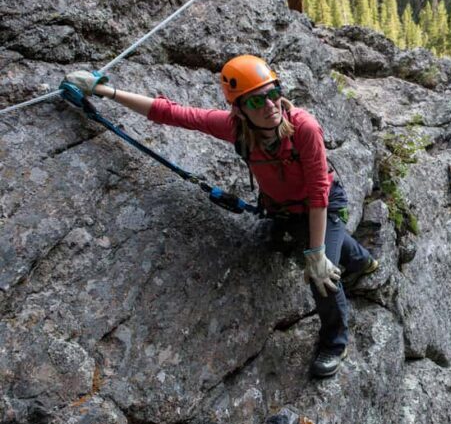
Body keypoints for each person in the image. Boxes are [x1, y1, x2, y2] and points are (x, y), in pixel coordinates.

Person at [64, 55, 378, 378]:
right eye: (257, 99)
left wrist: (316, 255)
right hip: (284, 210)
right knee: (310, 245)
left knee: (322, 276)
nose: (270, 105)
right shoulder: (236, 130)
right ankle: (362, 261)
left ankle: (335, 343)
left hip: (322, 203)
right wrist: (105, 92)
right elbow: (171, 113)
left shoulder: (304, 128)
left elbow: (318, 194)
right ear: (240, 109)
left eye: (273, 93)